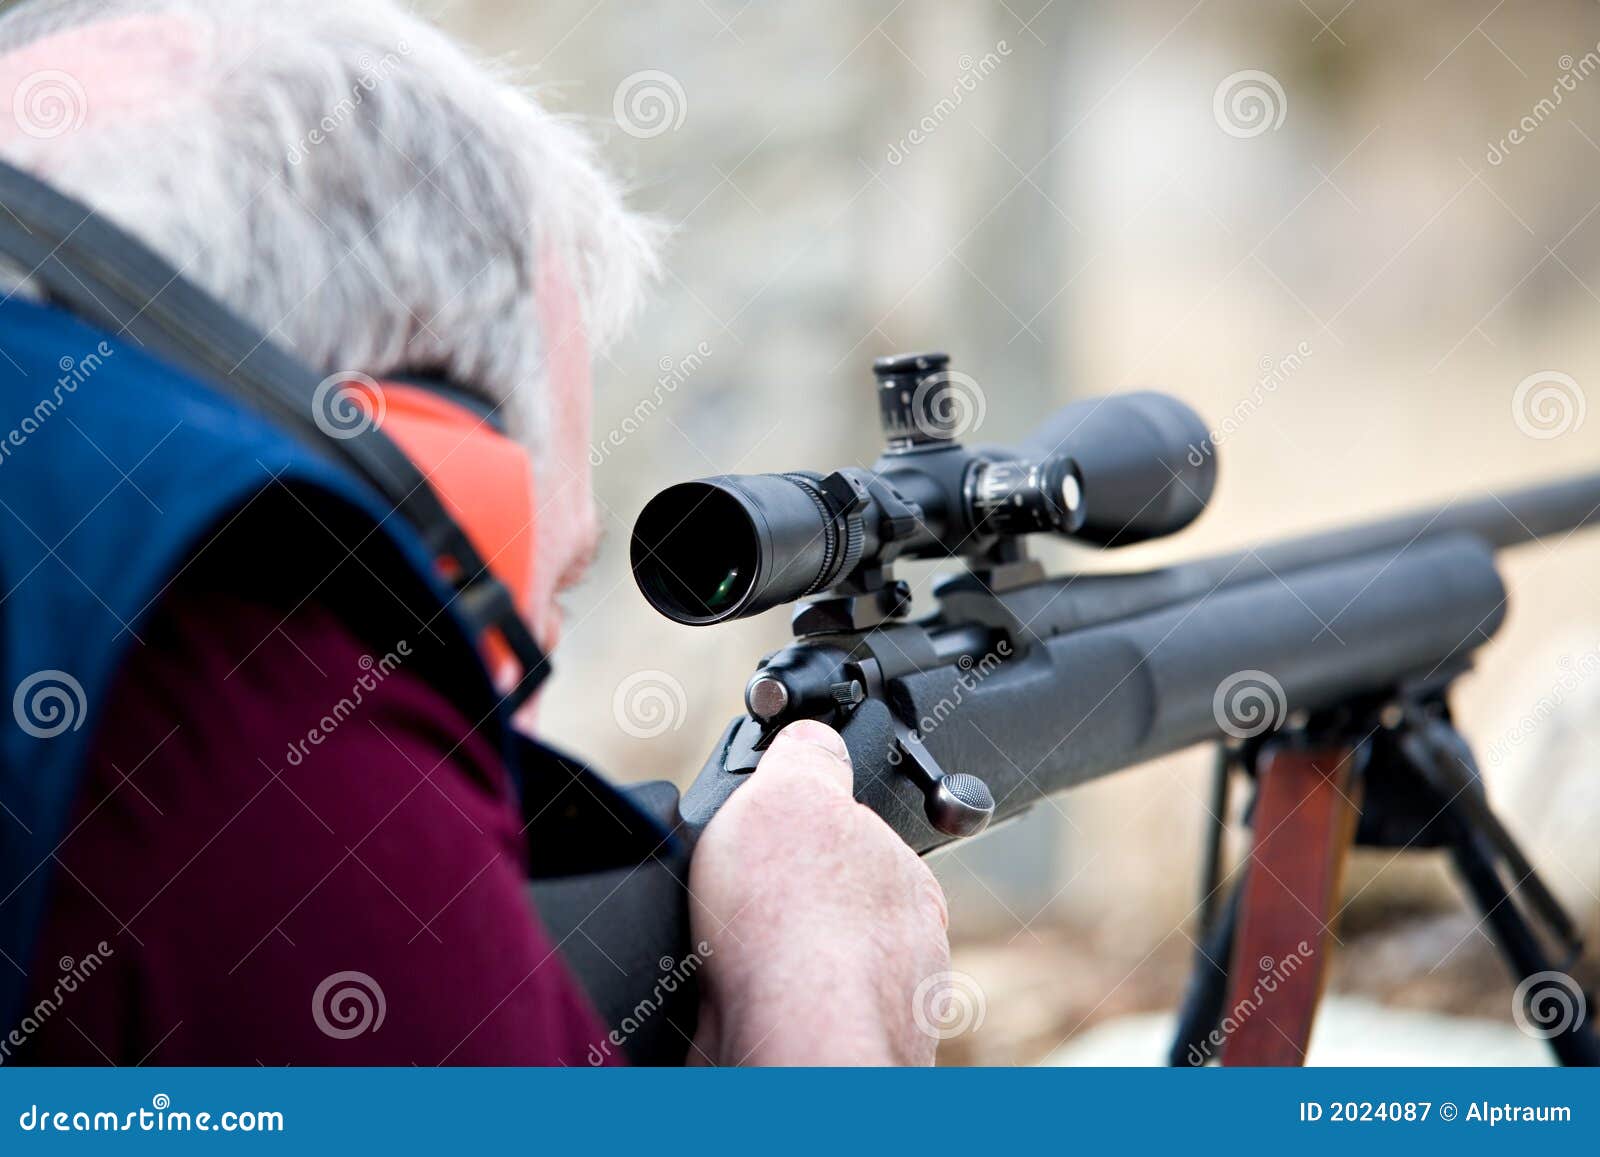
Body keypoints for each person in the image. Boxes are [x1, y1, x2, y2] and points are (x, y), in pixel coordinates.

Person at [0, 0, 948, 1065]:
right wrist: (819, 996)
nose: (513, 717)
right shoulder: (249, 646)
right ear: (418, 453)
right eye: (546, 599)